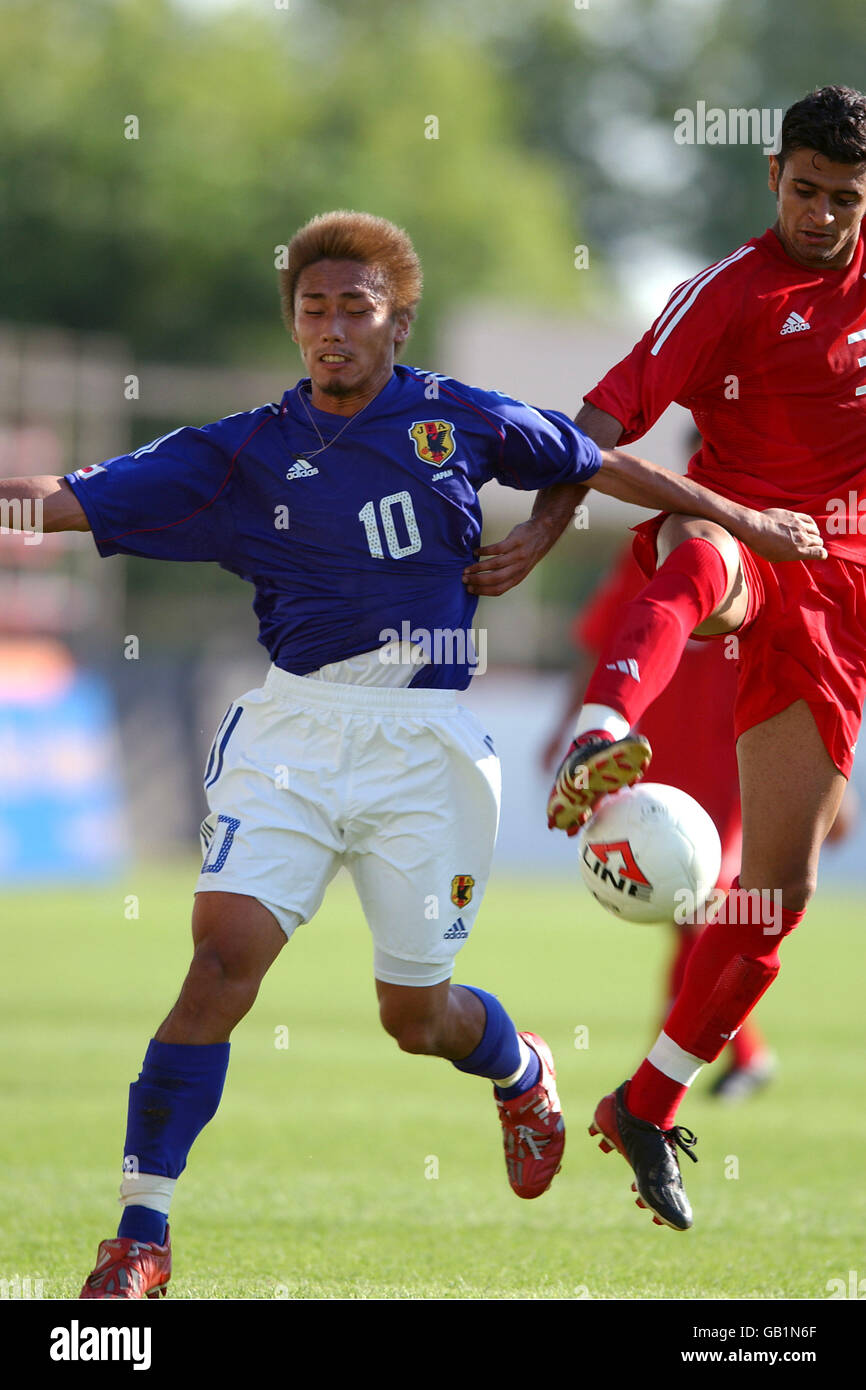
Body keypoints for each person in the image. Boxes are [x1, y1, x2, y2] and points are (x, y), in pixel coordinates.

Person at [2, 211, 822, 1298]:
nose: (331, 328)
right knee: (217, 969)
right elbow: (60, 504)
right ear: (292, 323)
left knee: (413, 1015)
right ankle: (139, 1236)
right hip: (292, 734)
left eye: (355, 309)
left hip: (425, 747)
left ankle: (520, 1068)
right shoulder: (239, 450)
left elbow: (599, 461)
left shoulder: (456, 419)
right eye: (312, 310)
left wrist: (737, 522)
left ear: (397, 321)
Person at [537, 85, 866, 1231]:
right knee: (699, 557)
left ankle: (646, 1099)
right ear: (769, 174)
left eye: (843, 198)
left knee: (775, 896)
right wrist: (543, 520)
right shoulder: (727, 292)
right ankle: (599, 725)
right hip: (742, 540)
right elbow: (592, 422)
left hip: (839, 602)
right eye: (804, 189)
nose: (820, 214)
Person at [541, 533, 778, 1101]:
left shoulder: (769, 551)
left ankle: (699, 1059)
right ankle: (728, 1054)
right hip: (659, 754)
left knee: (703, 906)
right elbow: (605, 639)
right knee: (687, 908)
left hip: (733, 756)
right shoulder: (654, 548)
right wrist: (567, 730)